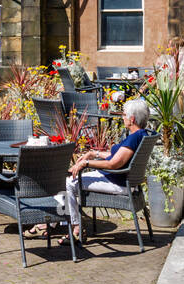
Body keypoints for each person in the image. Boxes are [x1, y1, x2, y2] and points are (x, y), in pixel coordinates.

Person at [61, 98, 151, 242]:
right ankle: (50, 224)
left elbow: (113, 164)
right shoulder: (142, 135)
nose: (122, 117)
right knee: (66, 181)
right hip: (118, 179)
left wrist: (86, 163)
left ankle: (75, 228)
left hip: (117, 182)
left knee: (66, 184)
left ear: (132, 119)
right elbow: (115, 155)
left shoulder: (135, 138)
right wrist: (93, 153)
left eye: (124, 115)